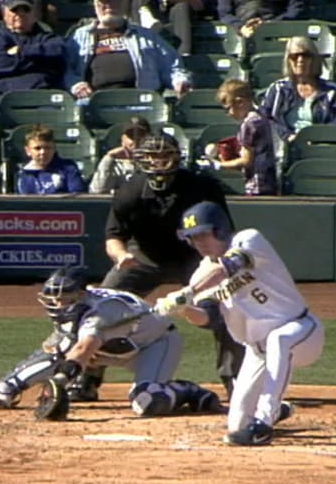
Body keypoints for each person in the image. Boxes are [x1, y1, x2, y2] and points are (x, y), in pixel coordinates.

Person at [72, 132, 245, 401]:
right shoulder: (129, 190)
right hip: (144, 258)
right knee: (103, 304)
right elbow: (114, 237)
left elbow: (224, 231)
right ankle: (86, 377)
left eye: (165, 156)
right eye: (152, 156)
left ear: (178, 157)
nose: (159, 163)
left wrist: (216, 264)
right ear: (141, 159)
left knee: (228, 305)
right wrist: (121, 258)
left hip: (195, 257)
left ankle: (235, 379)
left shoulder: (201, 187)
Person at [156, 201, 323, 447]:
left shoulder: (249, 239)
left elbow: (228, 267)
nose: (199, 242)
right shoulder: (201, 275)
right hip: (257, 350)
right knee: (236, 427)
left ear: (220, 230)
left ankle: (264, 424)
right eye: (193, 238)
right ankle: (274, 411)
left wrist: (187, 292)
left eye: (204, 234)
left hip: (302, 332)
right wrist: (182, 309)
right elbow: (207, 318)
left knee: (279, 339)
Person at [0, 265, 220, 418]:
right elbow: (52, 351)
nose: (58, 305)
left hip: (154, 344)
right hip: (114, 345)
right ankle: (2, 389)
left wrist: (59, 381)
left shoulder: (103, 312)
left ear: (81, 295)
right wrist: (11, 386)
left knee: (147, 403)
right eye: (54, 299)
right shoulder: (80, 308)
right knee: (56, 351)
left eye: (64, 299)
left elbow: (84, 349)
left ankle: (186, 391)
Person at [0, 0, 67, 192]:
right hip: (2, 99)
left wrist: (20, 53)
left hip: (40, 98)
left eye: (25, 10)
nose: (19, 15)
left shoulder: (46, 35)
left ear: (33, 14)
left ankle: (63, 172)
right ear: (5, 13)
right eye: (14, 11)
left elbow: (58, 50)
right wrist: (36, 59)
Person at [65, 0, 192, 102]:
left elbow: (172, 65)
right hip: (93, 100)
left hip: (141, 100)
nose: (109, 5)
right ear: (96, 5)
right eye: (104, 1)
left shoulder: (146, 35)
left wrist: (179, 81)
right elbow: (65, 68)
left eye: (114, 0)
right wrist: (76, 84)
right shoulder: (80, 36)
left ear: (123, 2)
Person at [258, 36, 336, 144]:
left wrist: (319, 137)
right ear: (288, 60)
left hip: (321, 145)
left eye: (305, 56)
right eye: (294, 56)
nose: (300, 60)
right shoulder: (278, 89)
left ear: (314, 59)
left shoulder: (334, 91)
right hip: (283, 144)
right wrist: (287, 136)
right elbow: (265, 117)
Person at [210, 79, 278, 194]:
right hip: (271, 180)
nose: (228, 114)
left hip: (257, 185)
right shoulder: (262, 116)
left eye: (228, 108)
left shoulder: (249, 124)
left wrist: (218, 165)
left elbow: (246, 161)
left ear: (239, 102)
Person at [16, 124, 85, 194]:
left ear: (54, 148)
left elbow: (77, 197)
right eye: (37, 148)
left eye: (47, 148)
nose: (43, 152)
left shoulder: (68, 169)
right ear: (28, 151)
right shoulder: (23, 174)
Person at [89, 116, 152, 194]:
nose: (136, 140)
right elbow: (97, 191)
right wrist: (108, 158)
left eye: (140, 135)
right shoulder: (114, 164)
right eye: (131, 136)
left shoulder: (155, 162)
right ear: (123, 139)